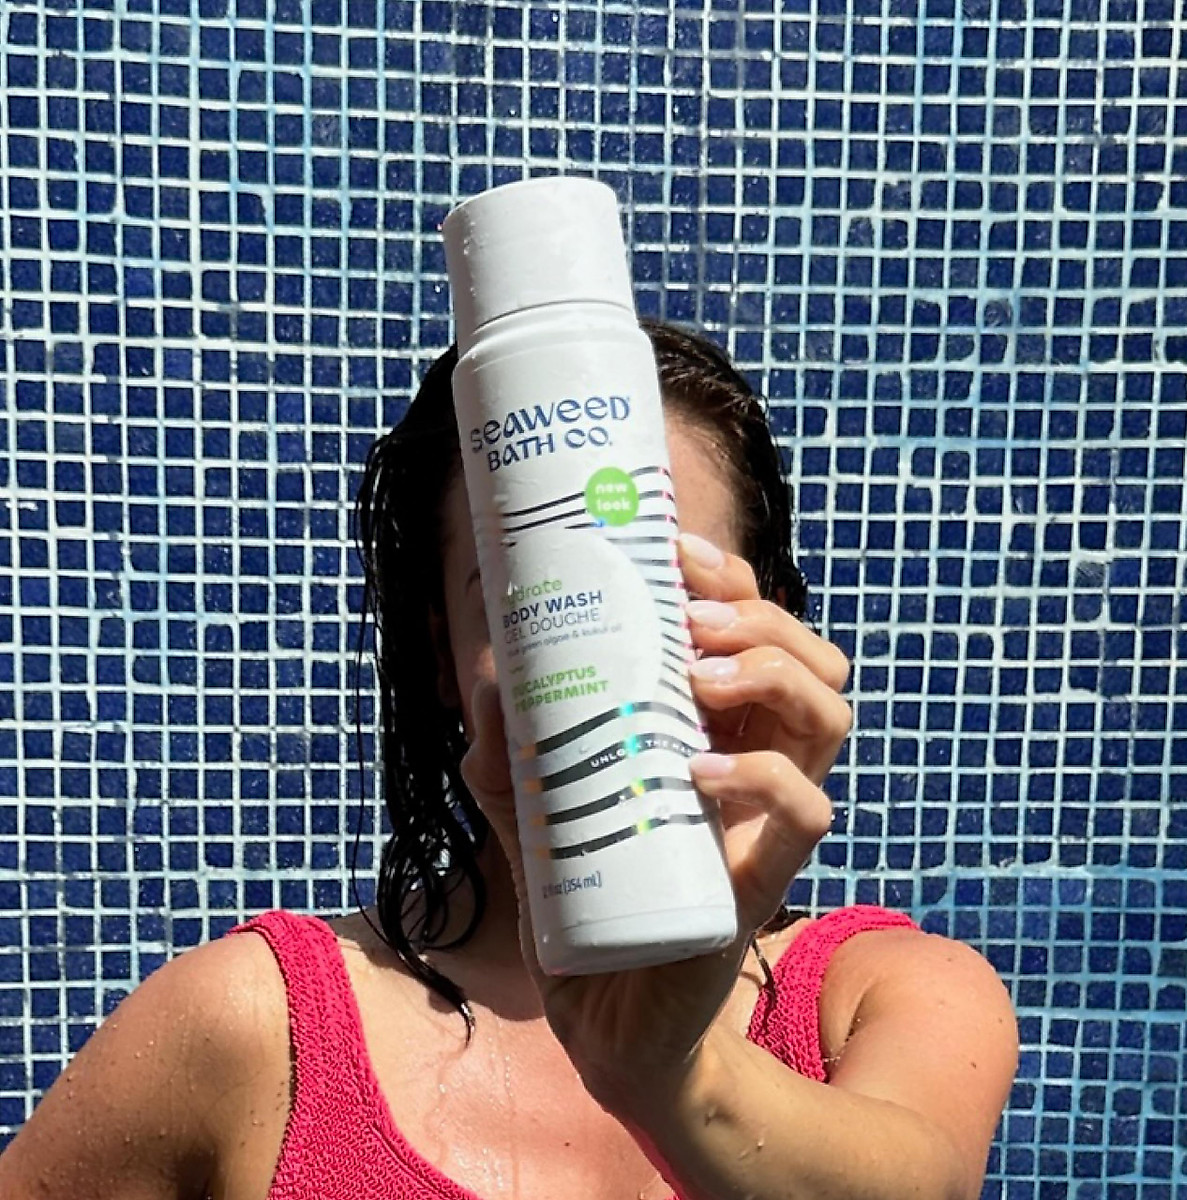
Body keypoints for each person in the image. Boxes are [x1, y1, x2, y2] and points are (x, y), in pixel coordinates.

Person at [0, 320, 1017, 1200]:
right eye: (534, 598)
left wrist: (668, 1076)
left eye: (662, 592)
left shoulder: (889, 1001)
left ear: (770, 632)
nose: (605, 663)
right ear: (444, 655)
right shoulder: (250, 1029)